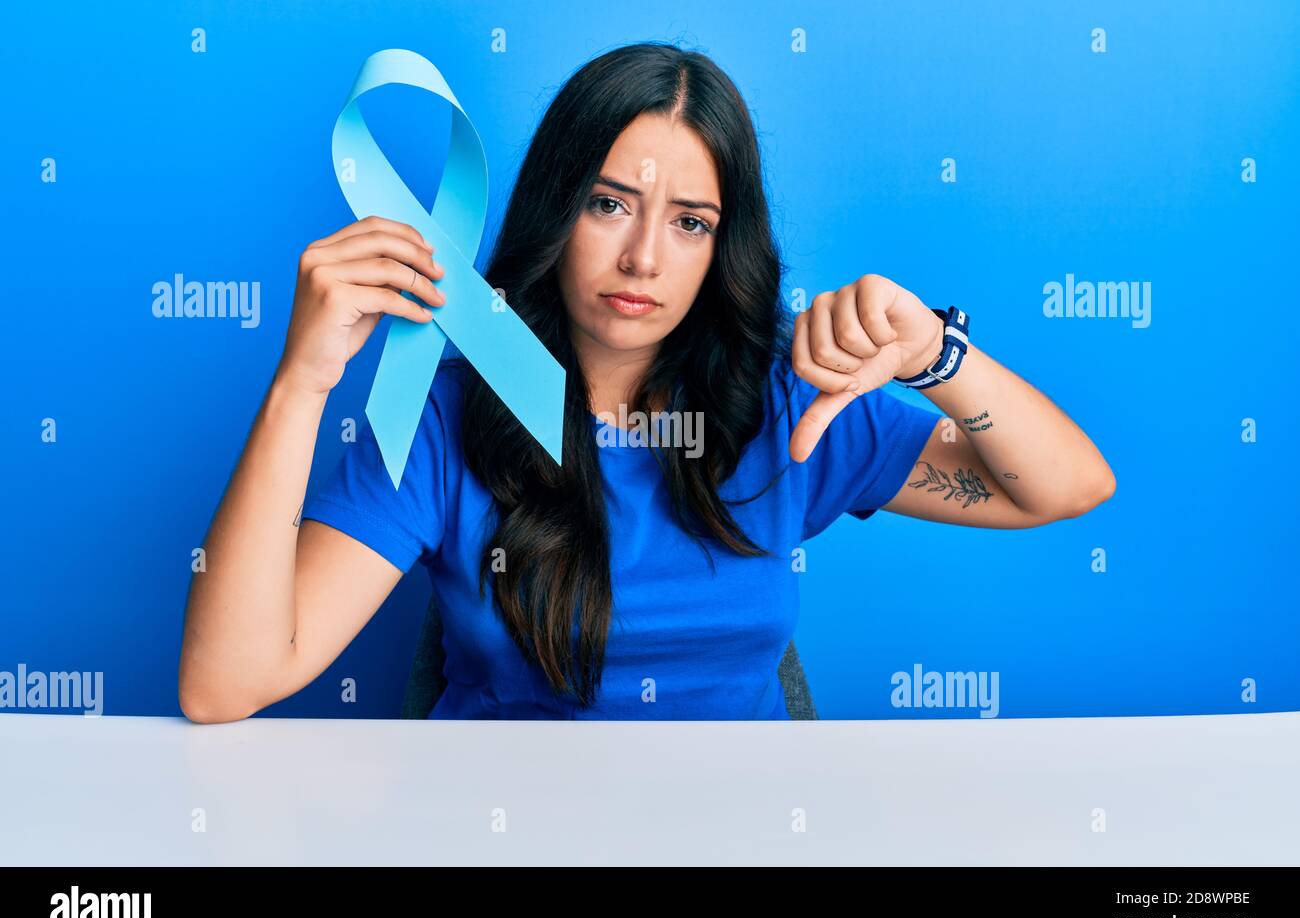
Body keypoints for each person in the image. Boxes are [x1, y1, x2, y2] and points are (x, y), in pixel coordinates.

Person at [178, 42, 1115, 723]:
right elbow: (226, 683)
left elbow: (1067, 487)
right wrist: (300, 385)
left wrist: (934, 356)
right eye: (609, 204)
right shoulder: (447, 417)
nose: (642, 258)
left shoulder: (786, 405)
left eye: (690, 223)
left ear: (723, 247)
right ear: (559, 208)